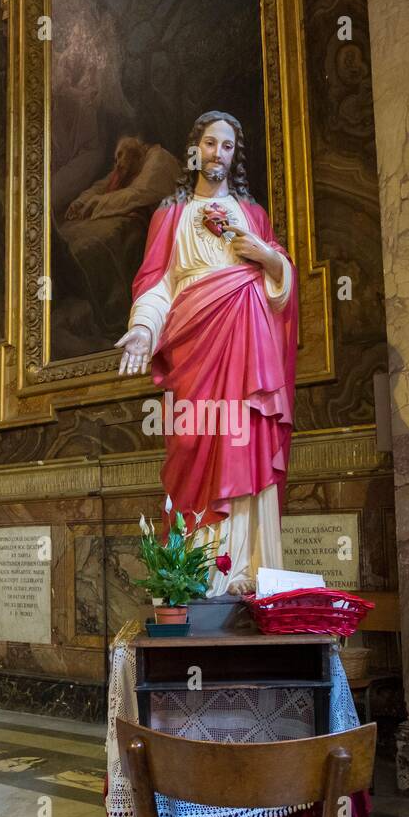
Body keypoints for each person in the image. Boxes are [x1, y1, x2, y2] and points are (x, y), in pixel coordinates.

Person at [115, 111, 296, 596]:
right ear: (195, 150)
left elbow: (282, 289)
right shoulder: (169, 216)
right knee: (196, 445)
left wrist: (268, 257)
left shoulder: (252, 215)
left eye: (229, 146)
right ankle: (199, 575)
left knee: (247, 442)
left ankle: (247, 570)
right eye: (211, 143)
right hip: (196, 351)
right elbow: (158, 286)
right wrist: (141, 329)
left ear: (236, 156)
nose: (219, 153)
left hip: (250, 350)